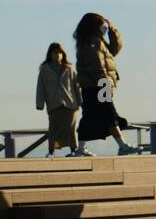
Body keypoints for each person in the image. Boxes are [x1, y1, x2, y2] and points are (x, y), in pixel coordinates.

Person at [74, 14, 140, 156]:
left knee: (89, 117)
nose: (103, 25)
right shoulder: (91, 43)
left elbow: (114, 50)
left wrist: (112, 31)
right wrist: (104, 83)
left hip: (94, 86)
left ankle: (81, 149)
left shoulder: (97, 41)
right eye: (101, 23)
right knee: (109, 114)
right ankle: (122, 145)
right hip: (98, 85)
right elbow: (96, 65)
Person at [36, 43, 83, 157]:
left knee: (71, 129)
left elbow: (77, 85)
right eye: (55, 53)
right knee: (53, 129)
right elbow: (40, 87)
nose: (58, 55)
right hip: (53, 103)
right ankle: (52, 151)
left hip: (70, 103)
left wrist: (81, 100)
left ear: (63, 54)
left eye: (60, 53)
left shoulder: (69, 68)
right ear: (50, 54)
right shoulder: (44, 69)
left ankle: (73, 150)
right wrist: (40, 103)